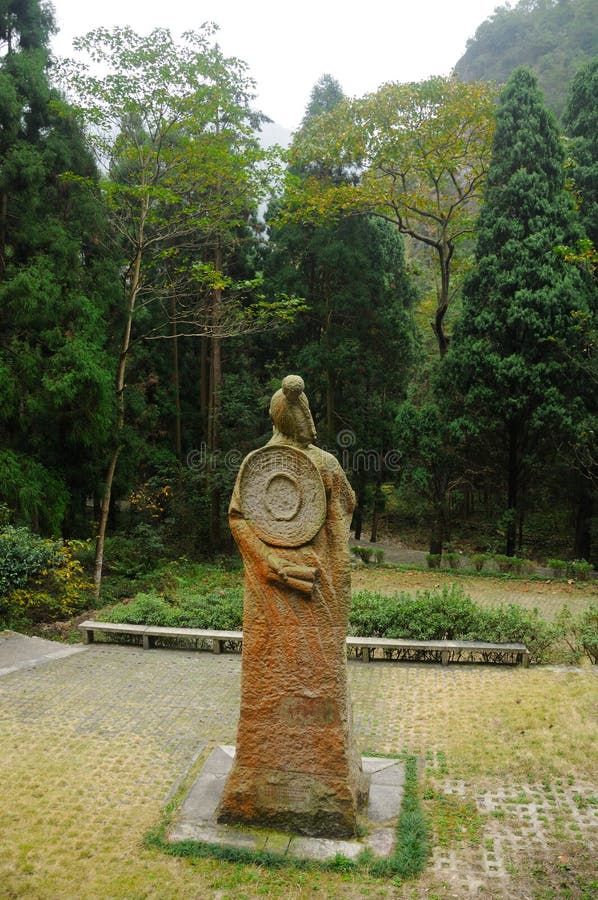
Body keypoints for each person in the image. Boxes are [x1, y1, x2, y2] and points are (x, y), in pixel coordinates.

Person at [217, 375, 367, 838]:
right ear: (301, 418)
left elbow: (238, 516)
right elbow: (347, 505)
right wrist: (275, 565)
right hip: (286, 594)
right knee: (291, 673)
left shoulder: (262, 463)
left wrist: (271, 560)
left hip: (298, 592)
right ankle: (287, 771)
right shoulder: (316, 464)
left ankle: (306, 772)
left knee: (299, 674)